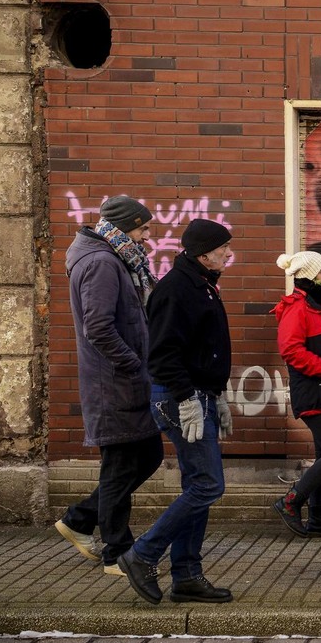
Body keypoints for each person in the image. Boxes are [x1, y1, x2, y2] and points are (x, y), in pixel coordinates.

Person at [117, 218, 236, 606]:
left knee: (197, 486)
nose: (228, 254)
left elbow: (202, 348)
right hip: (180, 398)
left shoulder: (200, 284)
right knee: (207, 486)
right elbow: (164, 354)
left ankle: (186, 575)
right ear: (204, 254)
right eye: (223, 249)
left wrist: (216, 393)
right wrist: (188, 399)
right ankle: (143, 554)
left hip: (197, 394)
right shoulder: (177, 290)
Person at [54, 195, 165, 577]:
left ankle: (81, 518)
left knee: (147, 455)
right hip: (114, 383)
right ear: (122, 227)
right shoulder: (102, 262)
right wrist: (133, 364)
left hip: (124, 381)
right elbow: (98, 326)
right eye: (142, 228)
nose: (147, 236)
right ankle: (117, 553)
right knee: (119, 466)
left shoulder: (115, 258)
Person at [271, 251, 321, 538]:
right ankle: (291, 501)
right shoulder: (299, 309)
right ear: (308, 276)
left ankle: (319, 518)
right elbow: (291, 351)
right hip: (315, 392)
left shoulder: (319, 307)